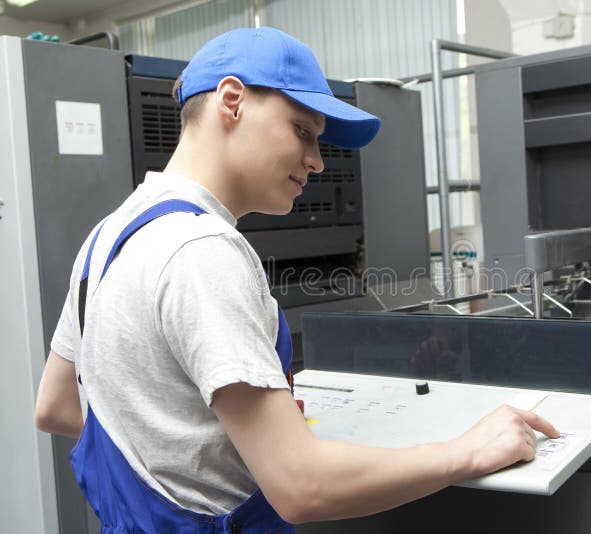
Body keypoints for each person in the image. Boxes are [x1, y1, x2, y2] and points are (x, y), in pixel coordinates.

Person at [34, 27, 559, 533]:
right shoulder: (202, 250)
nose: (316, 161)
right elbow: (300, 486)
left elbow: (57, 406)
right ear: (232, 100)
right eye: (302, 131)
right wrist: (468, 450)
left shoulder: (109, 235)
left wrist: (202, 445)